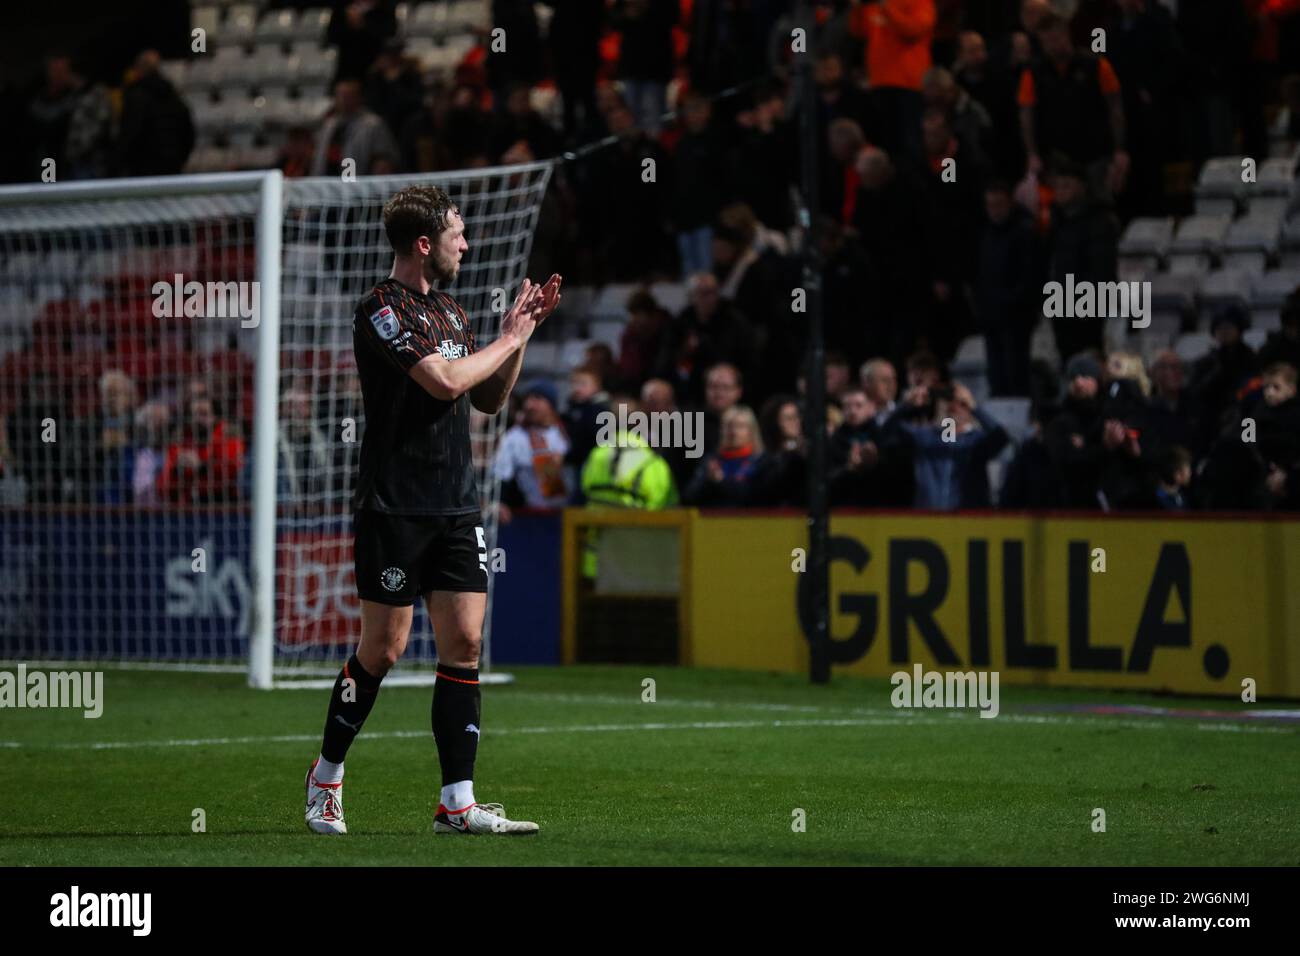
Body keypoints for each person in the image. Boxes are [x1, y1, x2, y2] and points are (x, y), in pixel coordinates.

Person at [305, 184, 563, 837]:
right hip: (394, 505)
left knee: (466, 643)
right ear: (426, 243)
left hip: (456, 504)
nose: (466, 245)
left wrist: (520, 335)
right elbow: (446, 381)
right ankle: (327, 776)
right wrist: (503, 342)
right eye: (457, 234)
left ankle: (457, 803)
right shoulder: (380, 310)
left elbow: (488, 402)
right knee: (383, 650)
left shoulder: (450, 311)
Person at [493, 380, 571, 510]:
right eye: (527, 399)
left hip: (568, 515)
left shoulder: (566, 433)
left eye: (537, 399)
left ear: (551, 405)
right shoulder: (515, 437)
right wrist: (502, 503)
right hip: (529, 515)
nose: (529, 405)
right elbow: (501, 476)